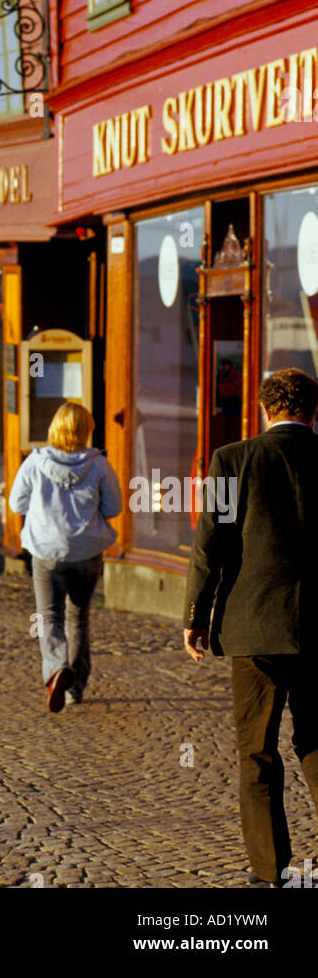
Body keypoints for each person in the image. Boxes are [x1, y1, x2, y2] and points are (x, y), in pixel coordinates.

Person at [183, 367, 318, 888]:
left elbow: (209, 546)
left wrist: (195, 617)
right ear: (312, 411)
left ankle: (272, 871)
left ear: (264, 410)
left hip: (253, 627)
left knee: (257, 752)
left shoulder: (233, 460)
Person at [8, 402, 121, 713]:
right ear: (86, 430)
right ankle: (75, 688)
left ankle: (57, 668)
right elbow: (114, 509)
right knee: (78, 618)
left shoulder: (35, 463)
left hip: (46, 551)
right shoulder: (99, 465)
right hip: (87, 551)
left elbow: (17, 504)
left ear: (54, 428)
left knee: (49, 617)